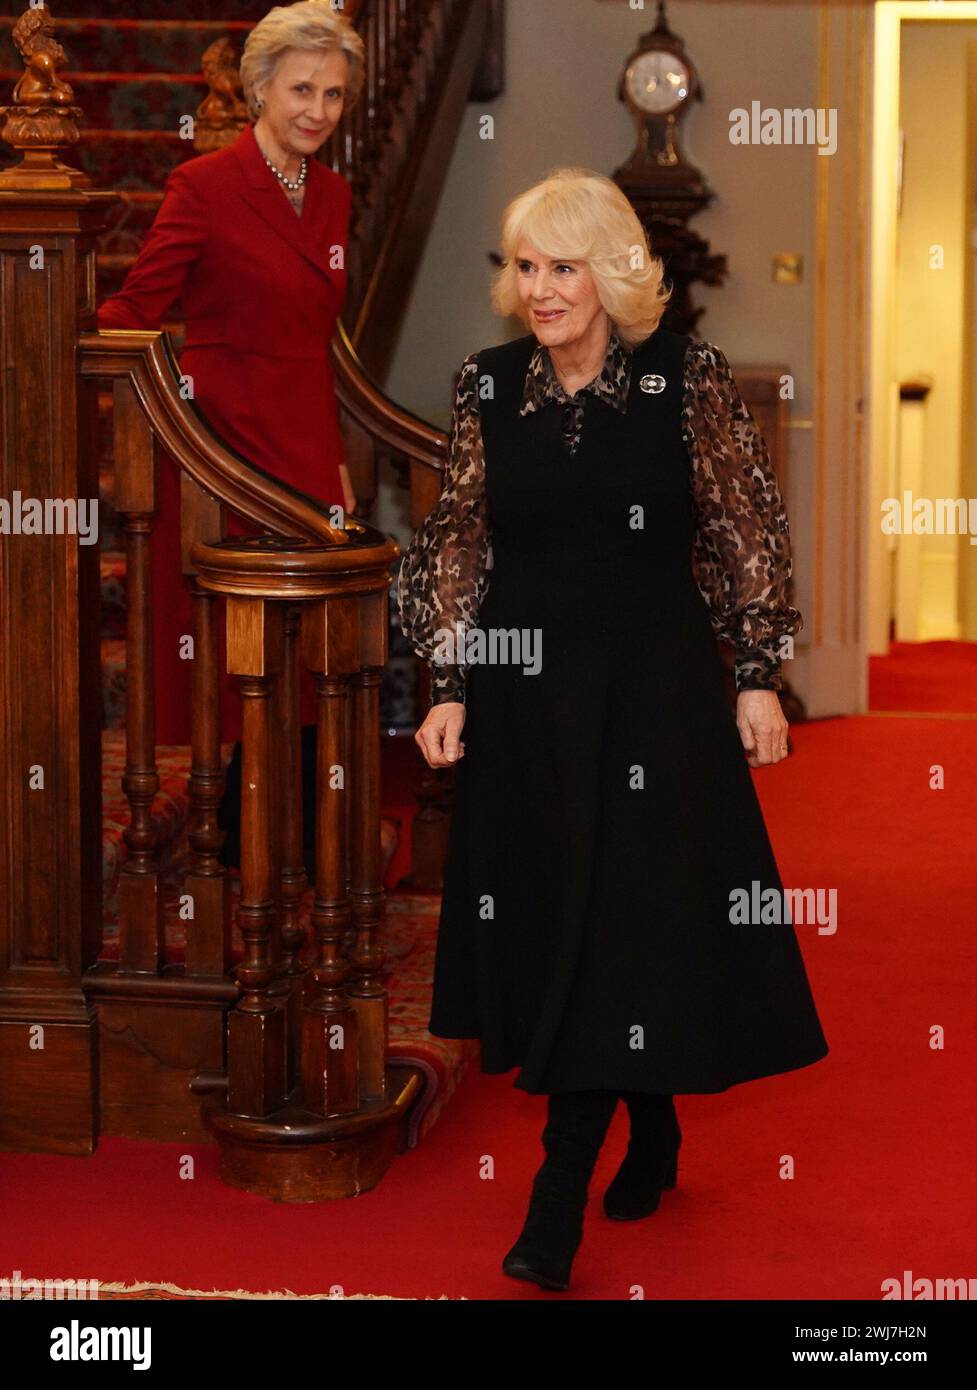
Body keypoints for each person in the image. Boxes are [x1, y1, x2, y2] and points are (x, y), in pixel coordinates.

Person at [396, 168, 829, 1292]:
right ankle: (654, 1118)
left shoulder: (682, 381)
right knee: (569, 915)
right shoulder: (486, 387)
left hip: (656, 688)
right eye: (525, 267)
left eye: (562, 266)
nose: (539, 289)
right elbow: (456, 547)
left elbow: (745, 526)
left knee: (627, 913)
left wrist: (753, 674)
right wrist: (446, 681)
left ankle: (554, 1202)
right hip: (528, 693)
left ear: (613, 272)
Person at [97, 2, 364, 874]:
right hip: (222, 451)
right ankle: (230, 849)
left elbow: (320, 340)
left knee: (300, 657)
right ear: (257, 89)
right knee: (227, 654)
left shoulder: (335, 193)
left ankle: (282, 843)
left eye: (331, 93)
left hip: (302, 444)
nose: (317, 111)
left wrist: (334, 464)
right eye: (300, 90)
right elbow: (133, 314)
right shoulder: (203, 185)